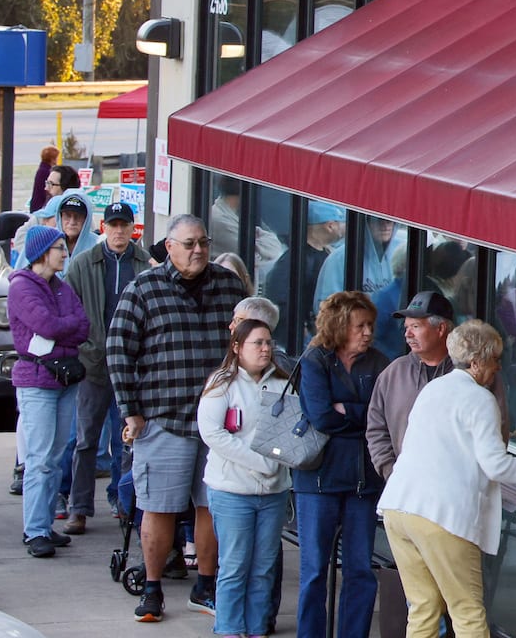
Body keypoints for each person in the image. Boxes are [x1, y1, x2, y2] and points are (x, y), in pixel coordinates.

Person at [376, 320, 516, 638]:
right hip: (441, 516)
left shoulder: (432, 389)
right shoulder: (480, 400)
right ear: (477, 362)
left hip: (399, 507)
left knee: (422, 608)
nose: (497, 368)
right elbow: (496, 466)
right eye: (495, 360)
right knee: (467, 612)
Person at [107, 214, 243, 623]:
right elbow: (118, 351)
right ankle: (152, 589)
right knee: (158, 507)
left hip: (219, 421)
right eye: (188, 243)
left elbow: (245, 345)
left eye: (203, 242)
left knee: (211, 507)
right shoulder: (143, 290)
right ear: (169, 246)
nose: (198, 250)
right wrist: (131, 411)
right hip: (164, 418)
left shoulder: (228, 286)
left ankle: (205, 586)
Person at [295, 291, 390, 638]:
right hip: (318, 479)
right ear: (339, 326)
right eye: (360, 325)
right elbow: (320, 416)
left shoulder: (380, 363)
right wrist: (360, 416)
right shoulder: (315, 359)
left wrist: (345, 410)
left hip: (364, 480)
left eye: (370, 325)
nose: (367, 332)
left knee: (360, 570)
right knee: (315, 569)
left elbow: (385, 418)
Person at [61, 202, 151, 535]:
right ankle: (79, 507)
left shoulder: (145, 264)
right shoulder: (83, 263)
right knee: (85, 441)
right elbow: (68, 309)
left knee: (127, 440)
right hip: (92, 367)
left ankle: (123, 501)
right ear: (103, 227)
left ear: (132, 228)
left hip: (131, 368)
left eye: (124, 225)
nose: (118, 231)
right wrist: (84, 346)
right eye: (112, 225)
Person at [197, 318, 291, 638]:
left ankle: (256, 628)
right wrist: (260, 462)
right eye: (257, 343)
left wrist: (278, 463)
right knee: (235, 565)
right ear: (237, 348)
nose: (265, 349)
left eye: (268, 343)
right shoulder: (221, 383)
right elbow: (213, 433)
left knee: (263, 567)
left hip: (273, 492)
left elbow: (292, 430)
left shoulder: (282, 382)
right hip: (232, 490)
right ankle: (228, 629)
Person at [7, 224, 90, 558]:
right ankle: (35, 531)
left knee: (56, 458)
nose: (64, 252)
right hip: (36, 380)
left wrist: (59, 333)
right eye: (59, 248)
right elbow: (47, 326)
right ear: (42, 252)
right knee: (39, 459)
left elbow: (82, 325)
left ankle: (43, 525)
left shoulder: (61, 286)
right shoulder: (22, 288)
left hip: (65, 378)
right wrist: (61, 331)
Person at [365, 291, 456, 484]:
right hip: (404, 491)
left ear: (441, 329)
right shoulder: (393, 373)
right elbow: (376, 430)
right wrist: (392, 473)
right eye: (406, 327)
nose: (407, 334)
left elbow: (497, 429)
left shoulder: (470, 373)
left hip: (457, 493)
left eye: (415, 326)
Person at [314, 217, 405, 331]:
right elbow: (327, 308)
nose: (385, 225)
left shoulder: (403, 252)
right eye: (378, 220)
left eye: (390, 221)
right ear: (366, 222)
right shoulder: (340, 258)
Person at [271, 202, 344, 303]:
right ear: (330, 226)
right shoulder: (295, 260)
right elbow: (280, 299)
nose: (345, 229)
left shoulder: (330, 255)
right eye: (343, 223)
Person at [30, 145, 60, 212]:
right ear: (52, 159)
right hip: (41, 206)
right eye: (56, 157)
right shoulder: (47, 172)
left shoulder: (42, 169)